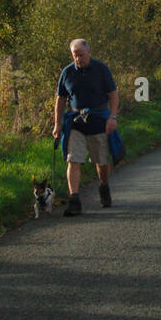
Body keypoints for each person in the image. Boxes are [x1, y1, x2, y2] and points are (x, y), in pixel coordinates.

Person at [52, 38, 120, 215]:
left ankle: (104, 186)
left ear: (89, 52)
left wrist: (112, 117)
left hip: (99, 120)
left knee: (101, 162)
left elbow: (113, 94)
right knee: (73, 159)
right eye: (75, 55)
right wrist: (57, 124)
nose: (78, 59)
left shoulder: (101, 69)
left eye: (81, 55)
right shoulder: (67, 73)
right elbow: (60, 99)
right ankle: (74, 200)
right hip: (75, 122)